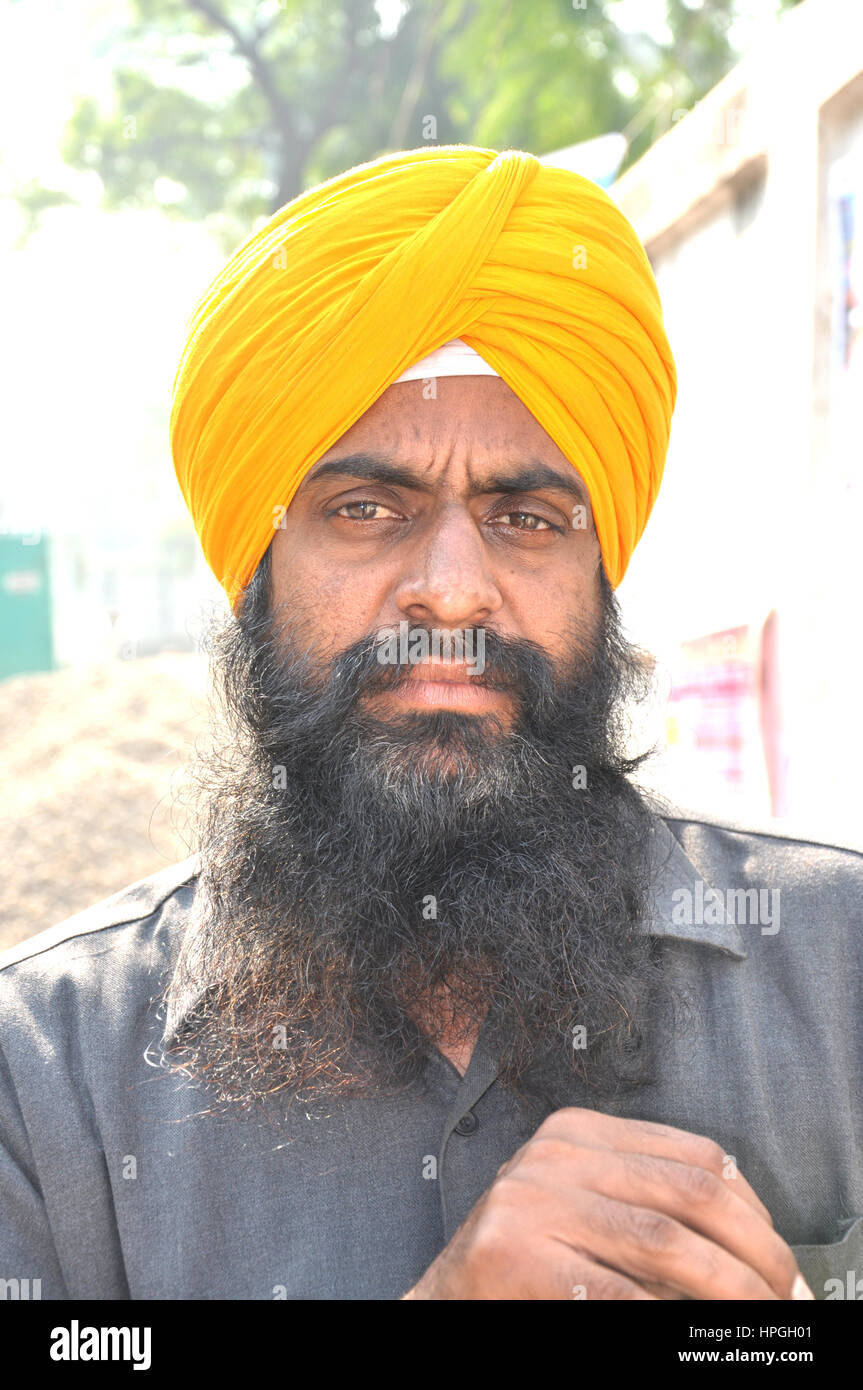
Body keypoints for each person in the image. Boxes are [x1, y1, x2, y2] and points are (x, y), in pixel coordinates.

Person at [1, 147, 860, 1302]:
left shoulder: (839, 967)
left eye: (526, 516)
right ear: (256, 574)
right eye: (365, 509)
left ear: (599, 580)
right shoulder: (44, 1078)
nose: (452, 591)